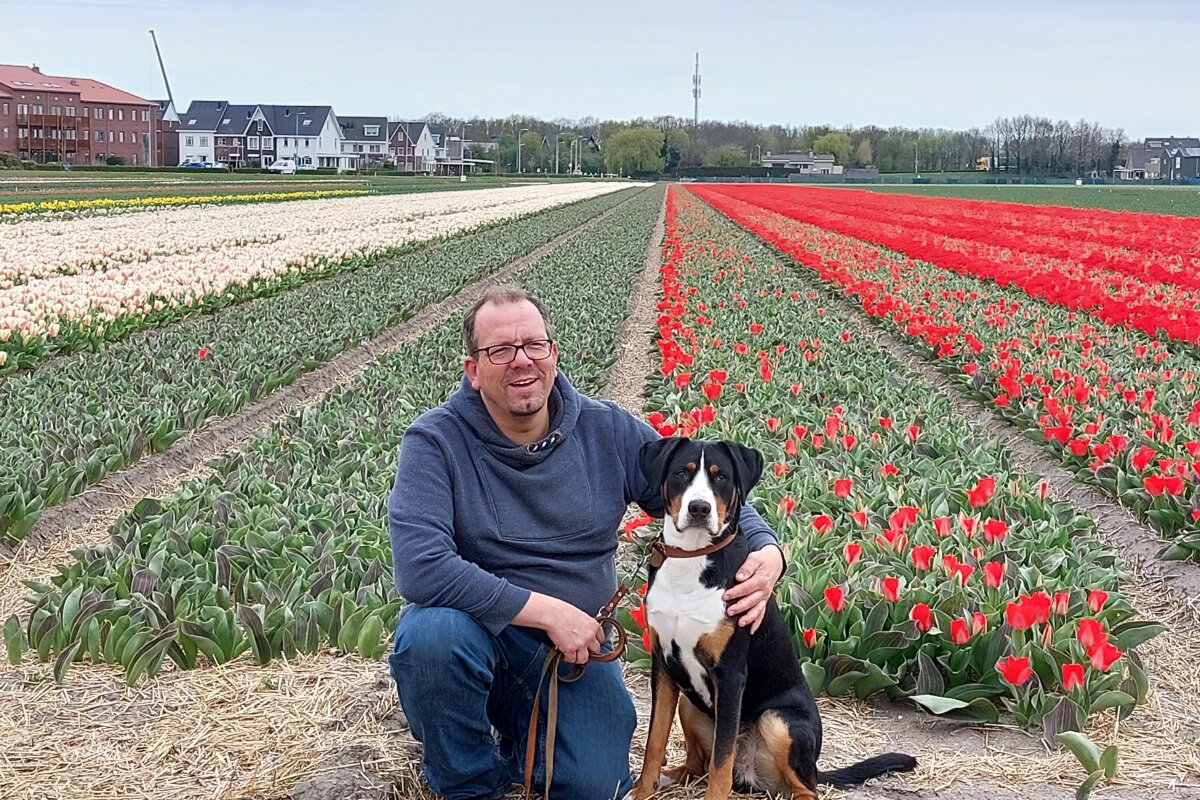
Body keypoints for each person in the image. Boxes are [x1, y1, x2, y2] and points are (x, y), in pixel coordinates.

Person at [387, 285, 785, 800]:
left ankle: (518, 740)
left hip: (573, 651)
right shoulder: (435, 442)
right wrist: (547, 611)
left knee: (595, 785)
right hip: (476, 632)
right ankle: (467, 781)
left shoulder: (606, 430)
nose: (521, 361)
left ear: (553, 354)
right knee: (432, 637)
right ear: (473, 369)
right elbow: (422, 568)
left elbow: (696, 492)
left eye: (534, 345)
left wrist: (767, 551)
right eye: (500, 350)